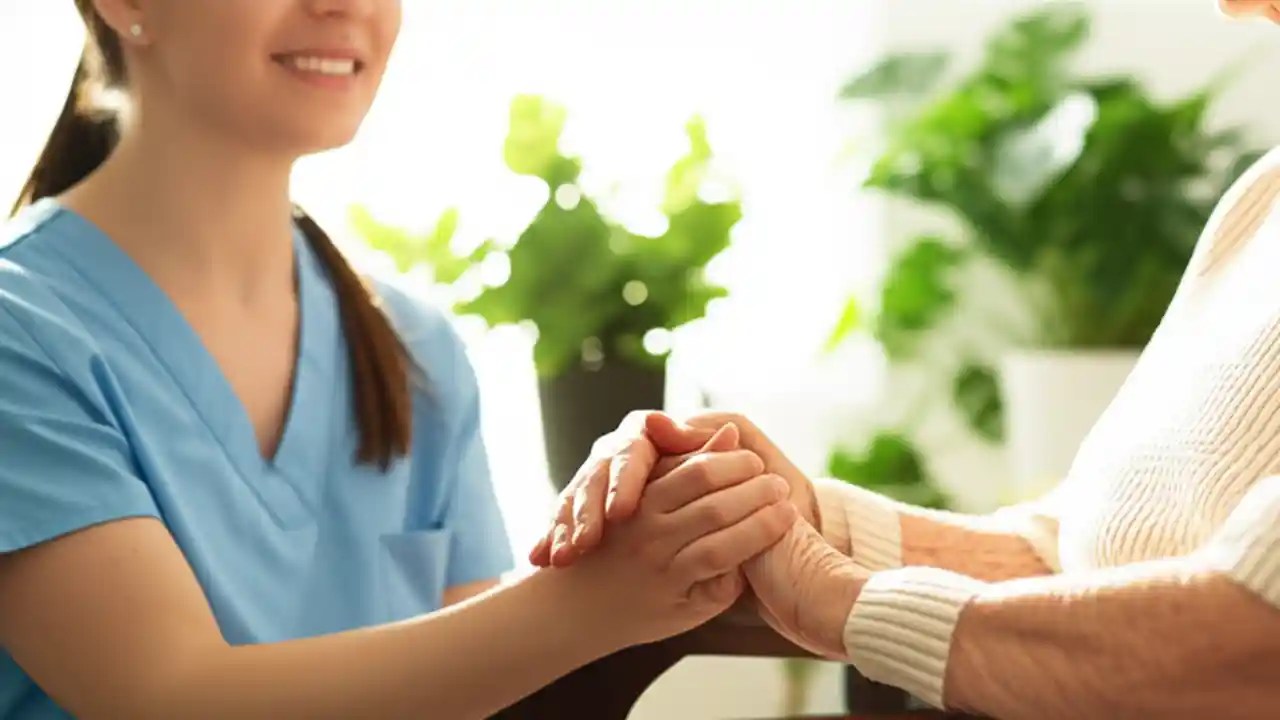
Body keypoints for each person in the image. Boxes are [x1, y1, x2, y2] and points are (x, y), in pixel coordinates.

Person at [0, 2, 802, 719]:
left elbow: (486, 677)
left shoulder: (414, 348)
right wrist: (591, 600)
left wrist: (656, 518)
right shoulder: (20, 328)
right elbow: (169, 697)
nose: (342, 6)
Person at [537, 2, 1280, 717]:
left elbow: (1251, 638)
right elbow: (1083, 560)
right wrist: (801, 515)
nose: (1235, 4)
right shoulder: (1263, 198)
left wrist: (843, 602)